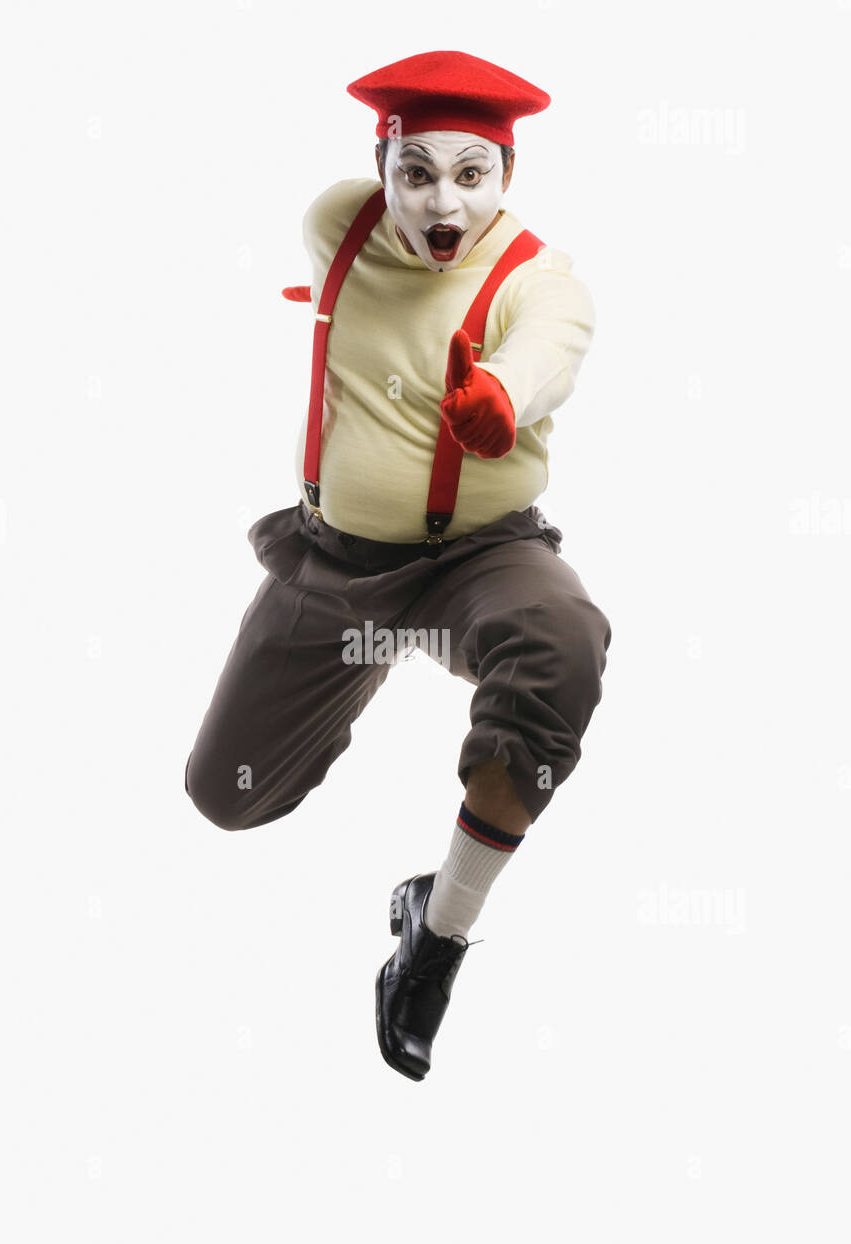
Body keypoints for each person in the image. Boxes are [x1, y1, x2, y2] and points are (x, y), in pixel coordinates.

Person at [185, 50, 612, 1081]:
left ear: (504, 175)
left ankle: (439, 929)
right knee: (228, 796)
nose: (442, 200)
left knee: (561, 645)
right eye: (415, 171)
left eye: (471, 174)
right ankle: (367, 657)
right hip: (337, 566)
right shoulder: (338, 226)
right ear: (380, 168)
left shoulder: (539, 279)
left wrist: (501, 399)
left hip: (479, 558)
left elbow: (551, 345)